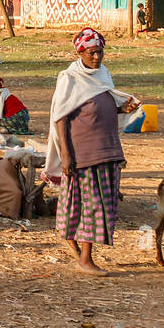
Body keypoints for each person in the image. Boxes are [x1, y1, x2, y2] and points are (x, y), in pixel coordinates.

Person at [47, 28, 139, 275]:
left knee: (95, 203)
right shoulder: (70, 78)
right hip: (84, 153)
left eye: (100, 52)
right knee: (92, 205)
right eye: (91, 53)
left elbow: (100, 105)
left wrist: (122, 109)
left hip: (107, 149)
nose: (97, 57)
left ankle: (76, 246)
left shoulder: (102, 75)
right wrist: (65, 155)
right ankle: (85, 259)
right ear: (80, 52)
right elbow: (60, 117)